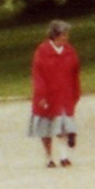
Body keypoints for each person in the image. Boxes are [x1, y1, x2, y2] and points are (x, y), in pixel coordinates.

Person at [29, 18, 82, 168]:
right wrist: (41, 95)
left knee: (63, 126)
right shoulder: (42, 52)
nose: (65, 38)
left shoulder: (70, 51)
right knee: (46, 129)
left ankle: (64, 156)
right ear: (54, 36)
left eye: (66, 35)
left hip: (64, 95)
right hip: (47, 96)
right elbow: (37, 74)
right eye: (63, 35)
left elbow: (75, 72)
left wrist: (75, 92)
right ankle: (48, 157)